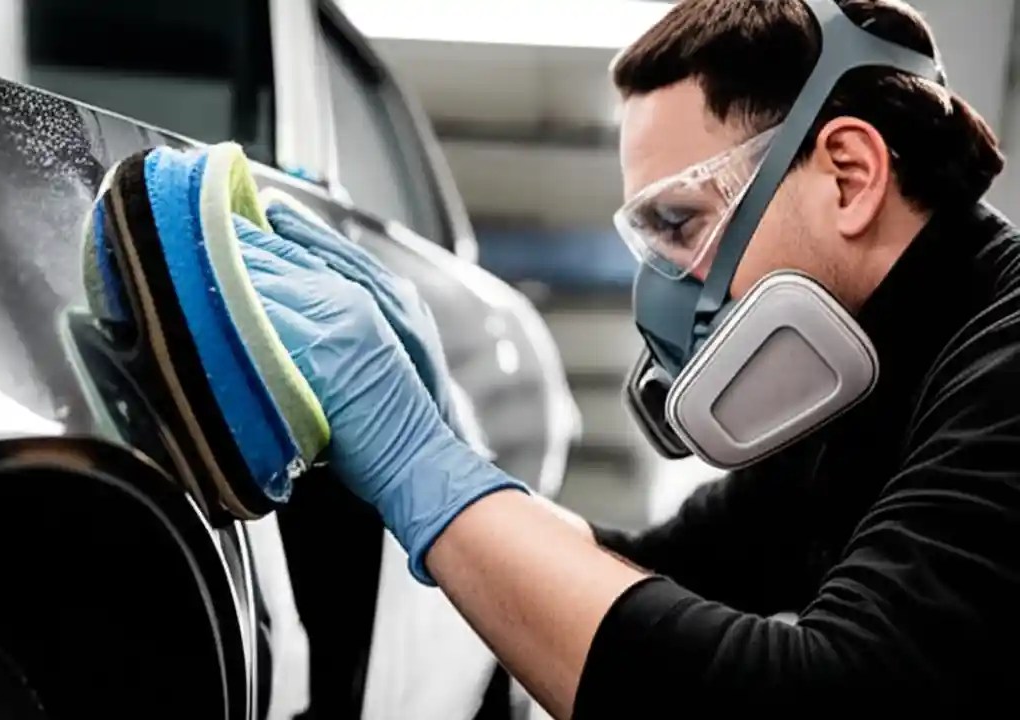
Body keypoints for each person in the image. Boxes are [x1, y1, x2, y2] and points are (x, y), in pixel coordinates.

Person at [234, 0, 1020, 714]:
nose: (663, 288)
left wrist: (420, 466)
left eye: (679, 224)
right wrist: (448, 450)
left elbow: (823, 695)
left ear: (849, 176)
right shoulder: (865, 379)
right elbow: (658, 568)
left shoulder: (1004, 361)